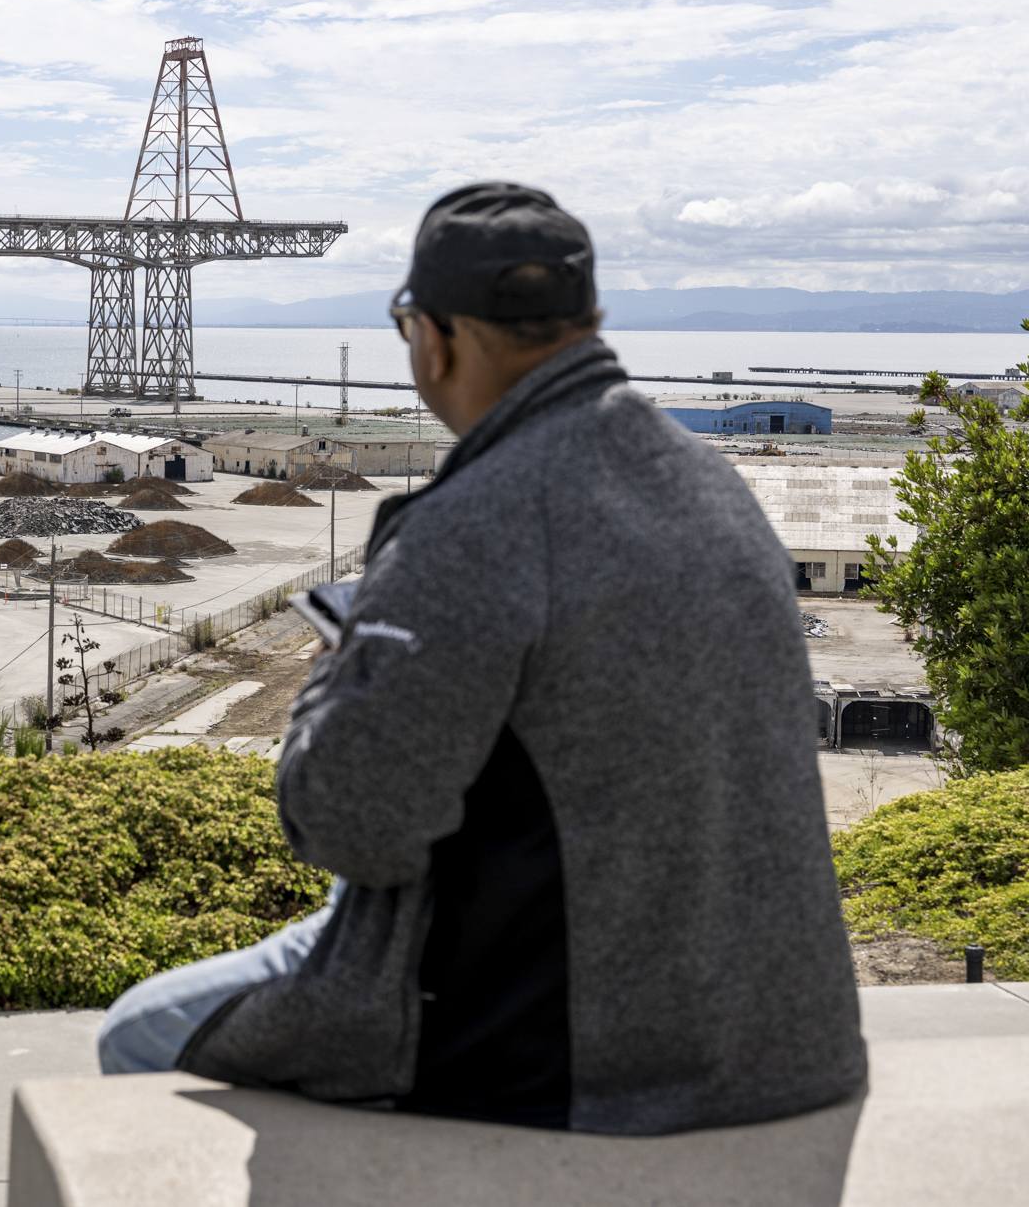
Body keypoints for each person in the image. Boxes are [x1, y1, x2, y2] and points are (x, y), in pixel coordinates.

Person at [97, 183, 866, 1136]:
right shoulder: (713, 484)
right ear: (589, 323)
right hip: (782, 1031)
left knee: (133, 1033)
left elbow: (347, 823)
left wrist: (337, 669)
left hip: (583, 1049)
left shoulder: (475, 522)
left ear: (437, 338)